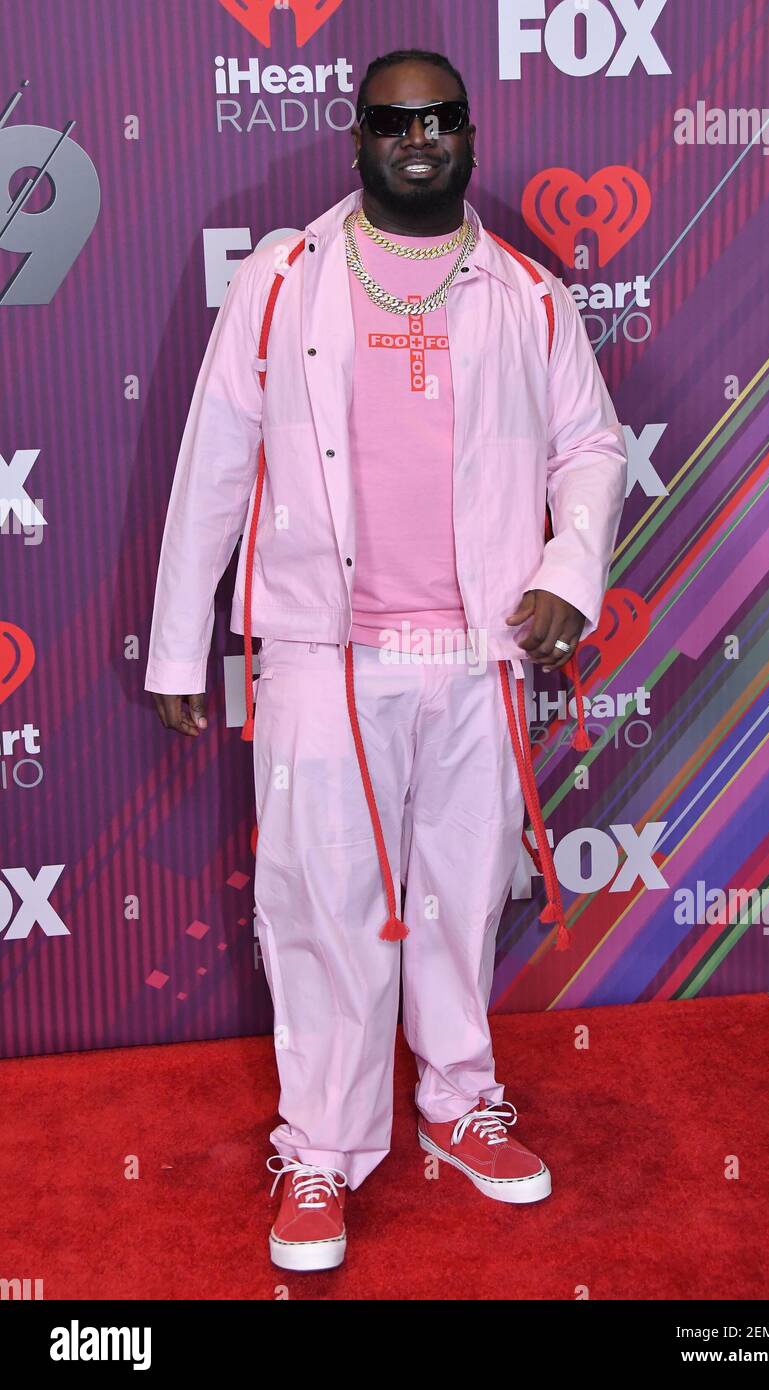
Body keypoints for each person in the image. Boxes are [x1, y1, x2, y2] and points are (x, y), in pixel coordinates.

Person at [145, 47, 627, 1273]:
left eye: (442, 119)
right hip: (320, 654)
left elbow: (590, 448)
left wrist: (566, 574)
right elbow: (212, 460)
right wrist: (178, 638)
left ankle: (459, 1102)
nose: (419, 139)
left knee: (459, 898)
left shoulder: (522, 291)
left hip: (473, 652)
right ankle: (322, 1146)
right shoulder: (284, 278)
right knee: (320, 906)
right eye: (394, 121)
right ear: (355, 137)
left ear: (469, 134)